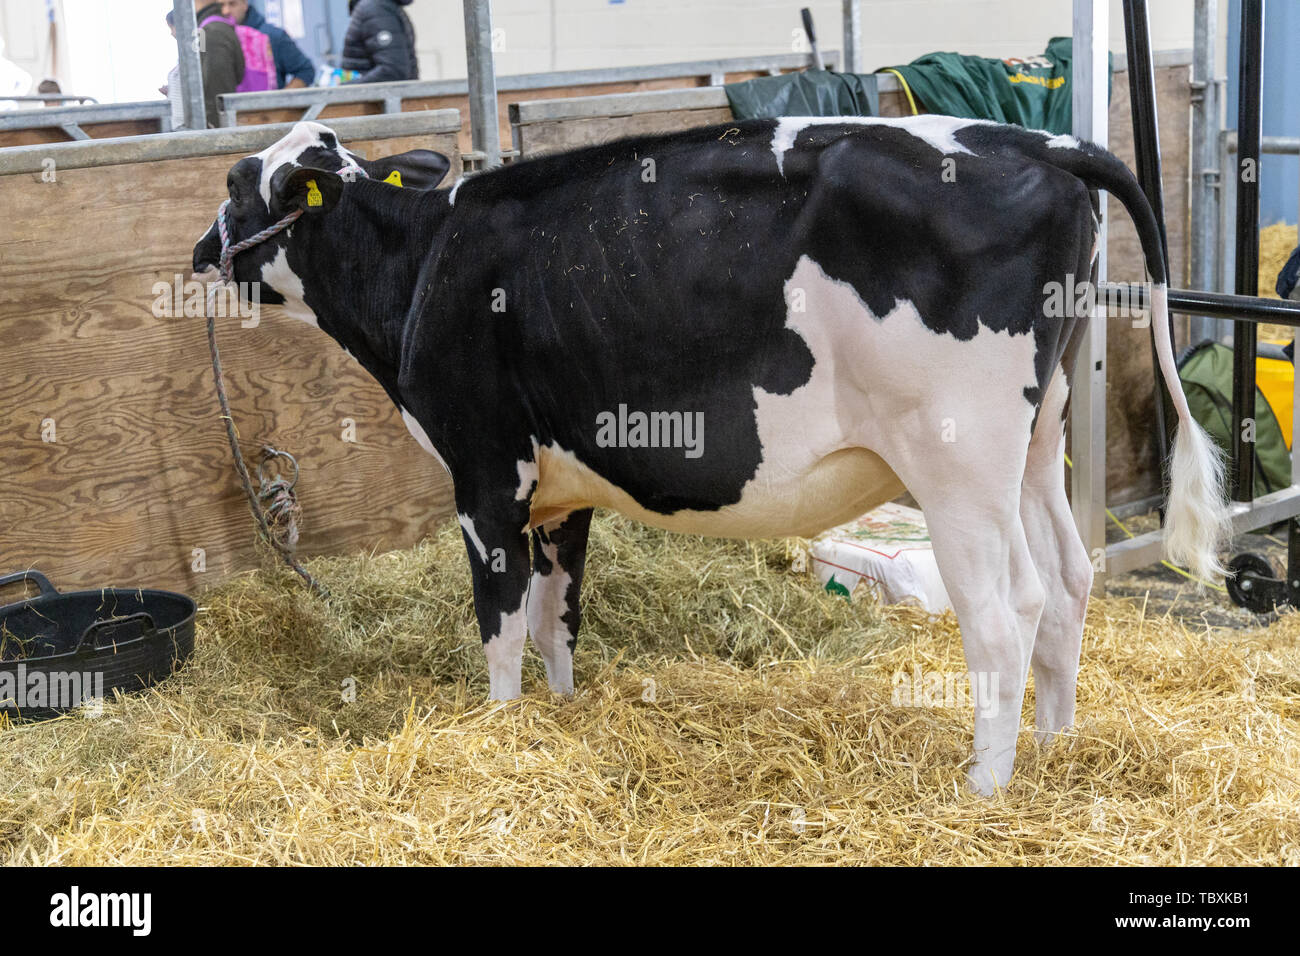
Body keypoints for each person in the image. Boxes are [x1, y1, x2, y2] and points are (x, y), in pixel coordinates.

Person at [221, 0, 315, 89]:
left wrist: (282, 101)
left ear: (245, 4)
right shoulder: (214, 39)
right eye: (221, 5)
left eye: (232, 4)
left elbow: (305, 70)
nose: (226, 11)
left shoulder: (273, 36)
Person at [193, 1, 245, 126]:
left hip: (221, 130)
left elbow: (218, 92)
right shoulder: (205, 28)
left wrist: (216, 137)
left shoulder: (212, 32)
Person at [341, 0, 418, 84]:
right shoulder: (379, 6)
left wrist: (344, 88)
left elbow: (393, 70)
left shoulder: (376, 8)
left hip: (378, 95)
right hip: (382, 94)